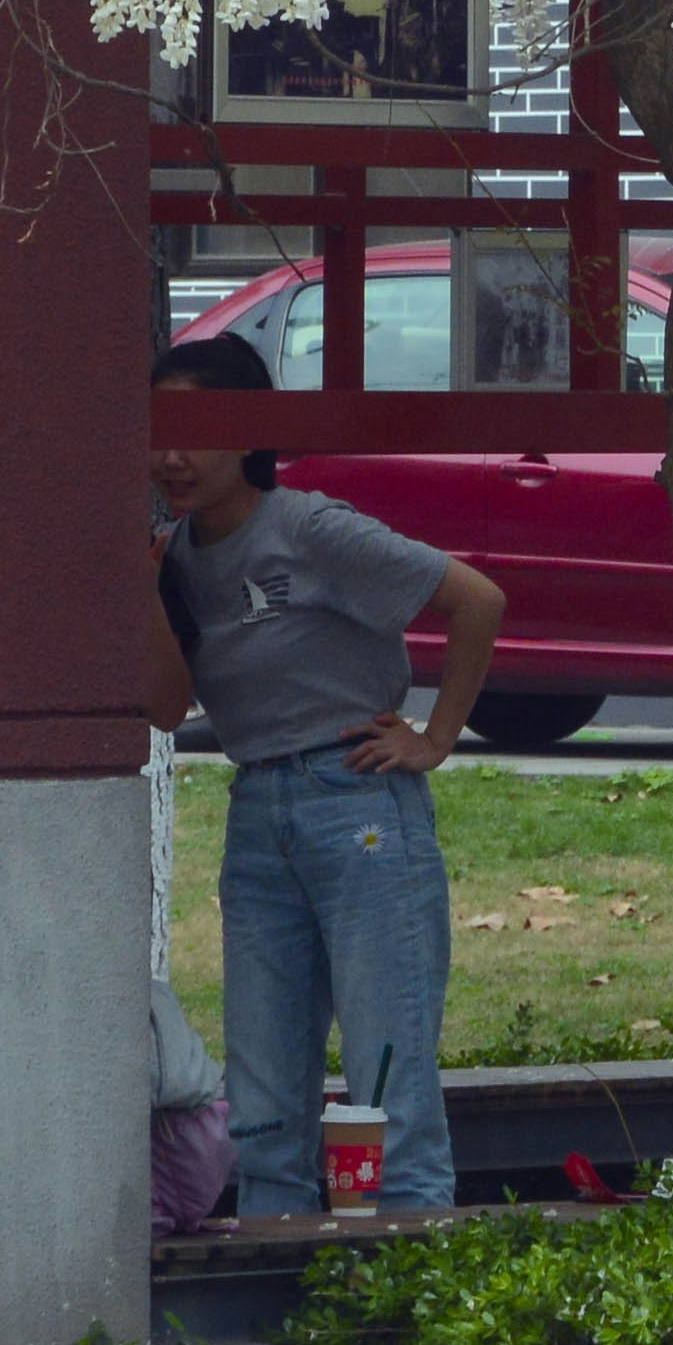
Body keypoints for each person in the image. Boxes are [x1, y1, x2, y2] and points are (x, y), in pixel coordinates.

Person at [148, 329, 505, 1217]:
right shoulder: (175, 559)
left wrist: (436, 737)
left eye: (196, 430)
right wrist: (134, 585)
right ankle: (277, 1316)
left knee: (389, 1071)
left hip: (359, 805)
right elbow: (162, 705)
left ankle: (410, 1298)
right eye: (156, 431)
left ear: (250, 432)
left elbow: (477, 600)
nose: (173, 456)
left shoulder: (307, 526)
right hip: (256, 809)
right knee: (265, 1098)